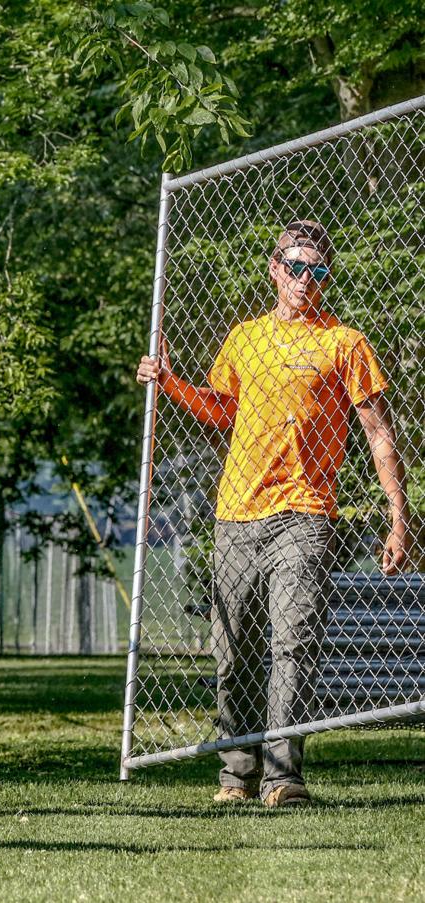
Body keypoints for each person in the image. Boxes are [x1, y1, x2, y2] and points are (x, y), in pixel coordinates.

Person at [136, 219, 410, 808]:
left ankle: (283, 776)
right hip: (236, 514)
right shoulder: (244, 337)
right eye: (295, 267)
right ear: (275, 270)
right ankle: (236, 775)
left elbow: (379, 432)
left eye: (317, 271)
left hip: (305, 514)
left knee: (294, 643)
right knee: (232, 649)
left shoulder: (345, 343)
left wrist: (398, 515)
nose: (305, 280)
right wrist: (169, 382)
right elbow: (219, 411)